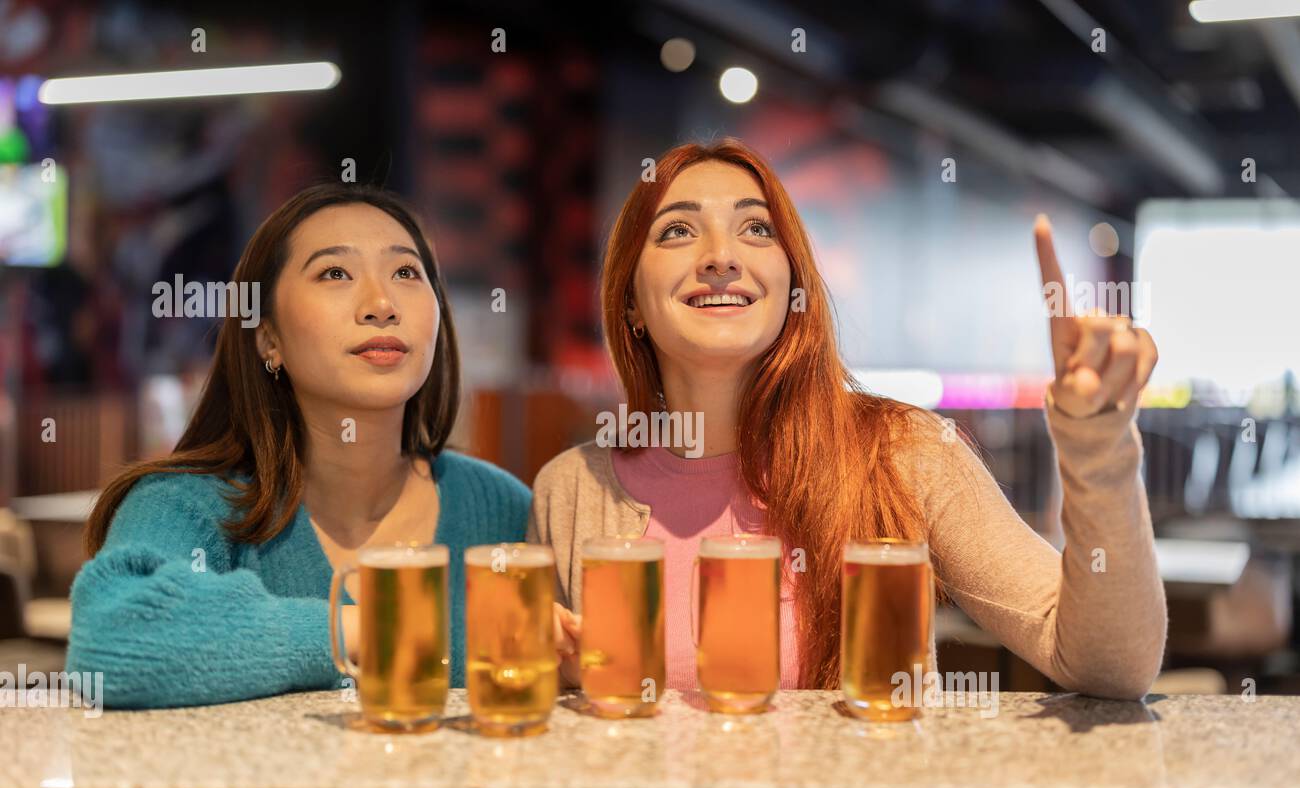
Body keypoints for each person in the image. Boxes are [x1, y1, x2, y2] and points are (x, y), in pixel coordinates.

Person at [528, 138, 1165, 699]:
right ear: (630, 301)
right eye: (676, 231)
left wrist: (1099, 437)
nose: (722, 256)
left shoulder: (903, 452)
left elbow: (1107, 665)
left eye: (756, 230)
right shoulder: (572, 490)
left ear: (792, 286)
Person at [69, 184, 529, 708]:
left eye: (406, 273)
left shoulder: (502, 508)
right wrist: (365, 630)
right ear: (268, 337)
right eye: (335, 273)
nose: (382, 304)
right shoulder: (187, 505)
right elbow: (112, 641)